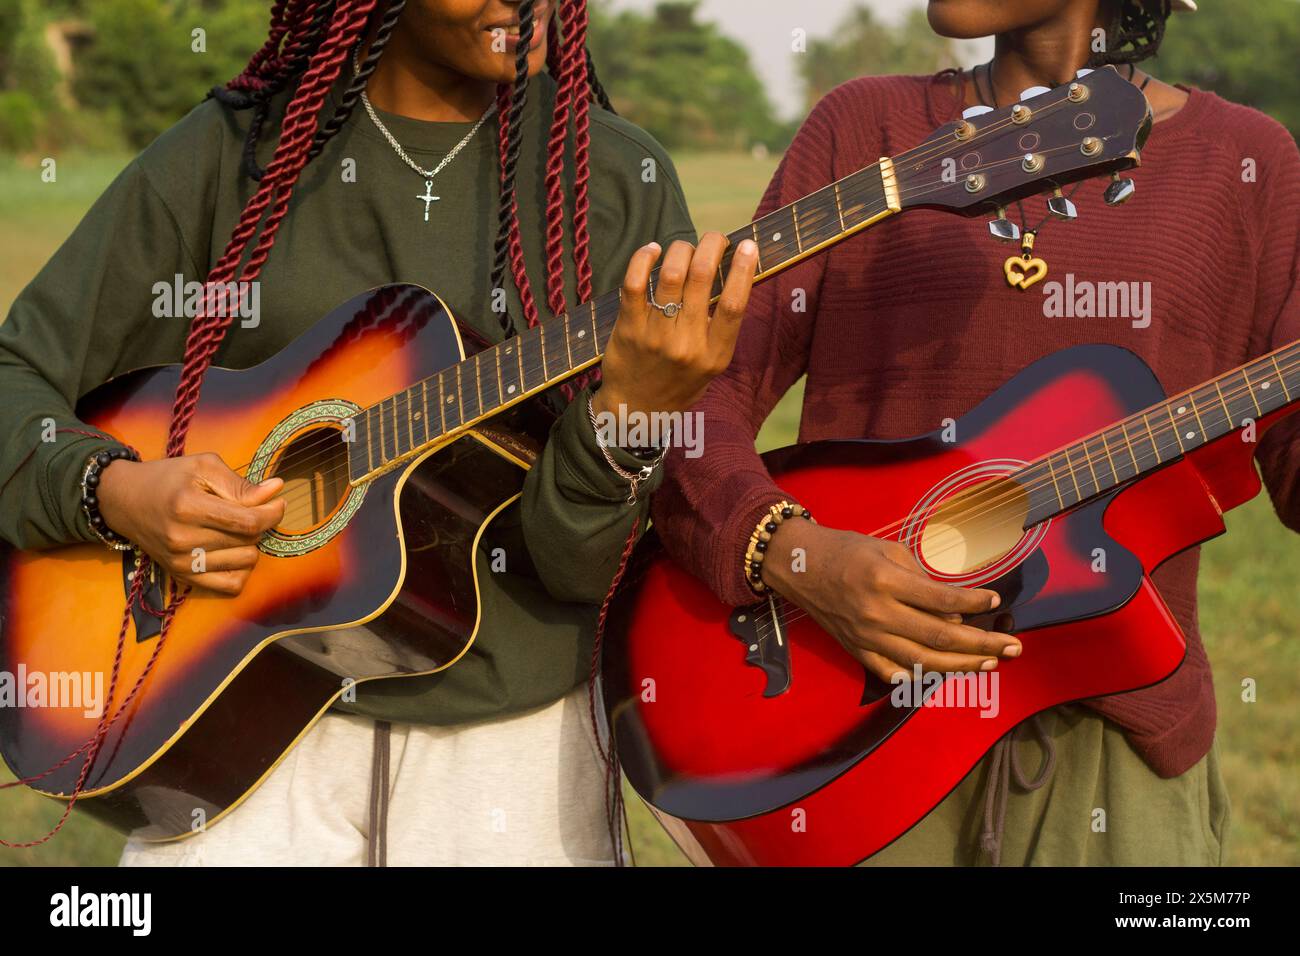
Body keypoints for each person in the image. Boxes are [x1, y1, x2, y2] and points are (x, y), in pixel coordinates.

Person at [0, 0, 758, 865]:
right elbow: (15, 378)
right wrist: (114, 491)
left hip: (511, 755)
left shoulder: (615, 181)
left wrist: (630, 418)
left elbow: (576, 564)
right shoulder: (233, 153)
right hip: (229, 735)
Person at [652, 0, 1300, 866]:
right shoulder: (863, 127)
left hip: (1115, 742)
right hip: (854, 718)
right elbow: (689, 395)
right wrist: (794, 554)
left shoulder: (1249, 161)